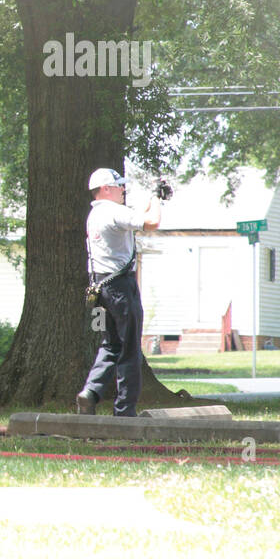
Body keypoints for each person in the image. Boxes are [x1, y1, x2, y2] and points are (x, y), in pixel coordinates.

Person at [77, 168, 161, 417]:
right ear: (105, 189)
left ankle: (90, 392)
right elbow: (153, 222)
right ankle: (124, 410)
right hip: (122, 287)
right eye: (118, 186)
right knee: (130, 348)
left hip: (101, 287)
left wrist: (150, 200)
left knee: (111, 344)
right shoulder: (114, 211)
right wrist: (157, 198)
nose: (123, 189)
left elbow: (138, 216)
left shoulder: (95, 214)